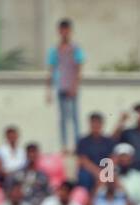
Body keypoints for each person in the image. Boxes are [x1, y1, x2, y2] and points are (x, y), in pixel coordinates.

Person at [47, 18, 84, 152]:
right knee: (63, 119)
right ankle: (64, 146)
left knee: (74, 118)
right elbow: (51, 70)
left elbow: (79, 68)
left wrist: (74, 86)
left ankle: (76, 145)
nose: (64, 33)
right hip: (61, 87)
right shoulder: (55, 50)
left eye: (66, 30)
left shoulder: (75, 49)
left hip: (72, 88)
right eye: (62, 30)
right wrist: (49, 91)